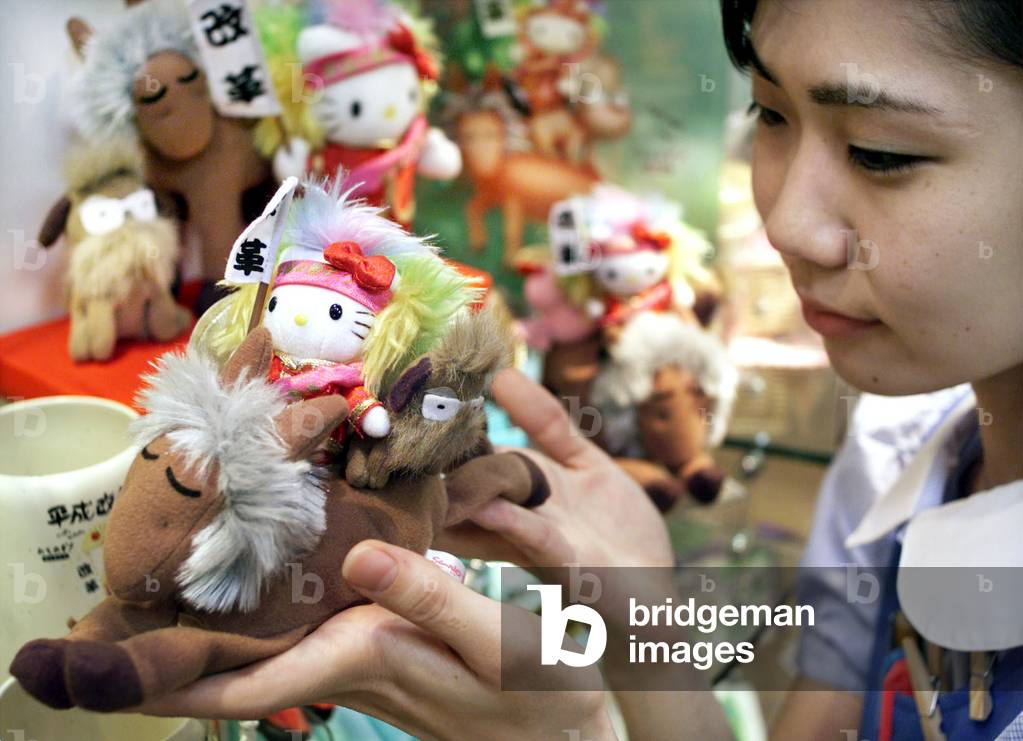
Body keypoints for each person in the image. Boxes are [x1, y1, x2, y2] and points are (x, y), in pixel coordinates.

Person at [138, 0, 1022, 738]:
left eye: (879, 152)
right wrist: (638, 628)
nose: (787, 222)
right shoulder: (890, 463)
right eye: (770, 114)